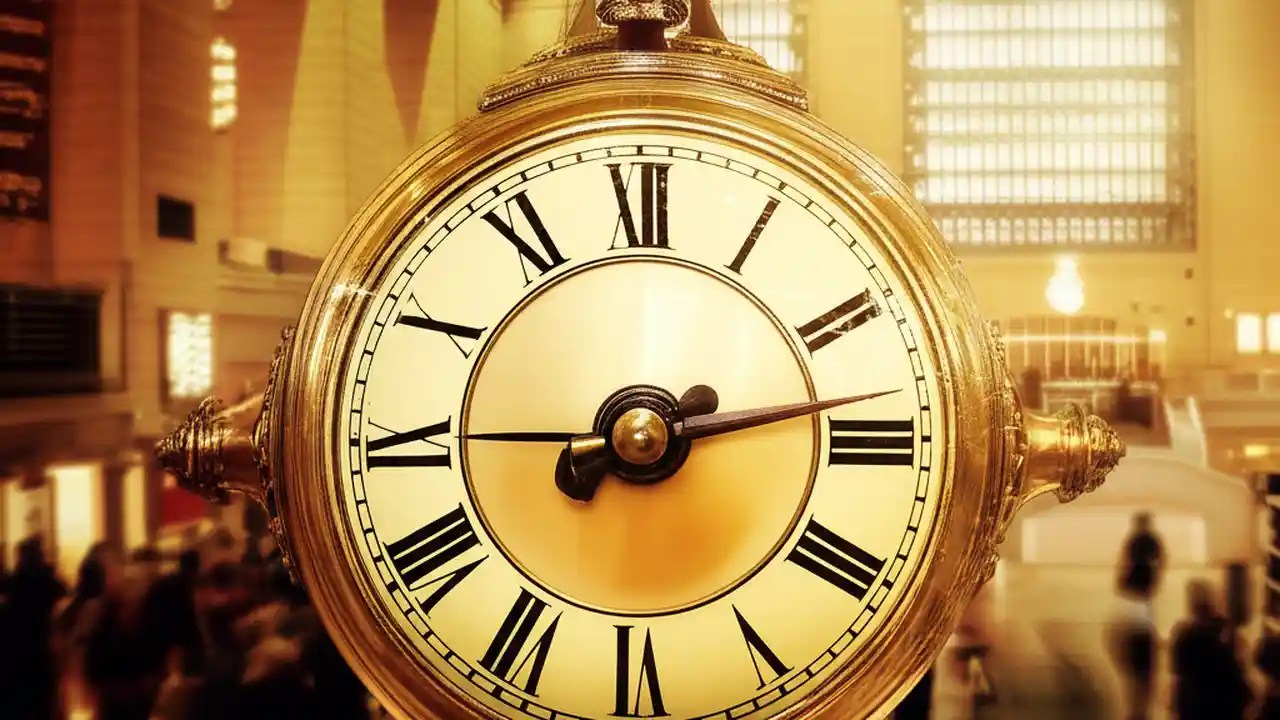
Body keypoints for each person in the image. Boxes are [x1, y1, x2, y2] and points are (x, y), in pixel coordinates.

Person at [7, 535, 68, 720]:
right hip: (41, 643)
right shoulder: (46, 579)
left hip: (16, 646)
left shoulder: (15, 581)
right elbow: (62, 590)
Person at [1170, 581, 1249, 720]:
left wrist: (1175, 705)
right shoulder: (1226, 630)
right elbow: (1239, 663)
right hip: (1225, 700)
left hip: (1196, 701)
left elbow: (1178, 675)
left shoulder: (1184, 634)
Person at [1118, 512, 1165, 603]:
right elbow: (1161, 560)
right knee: (1143, 601)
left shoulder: (1135, 539)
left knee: (1134, 601)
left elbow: (1126, 560)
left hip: (1137, 574)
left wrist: (1122, 576)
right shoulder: (1151, 539)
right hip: (1146, 574)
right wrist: (1158, 575)